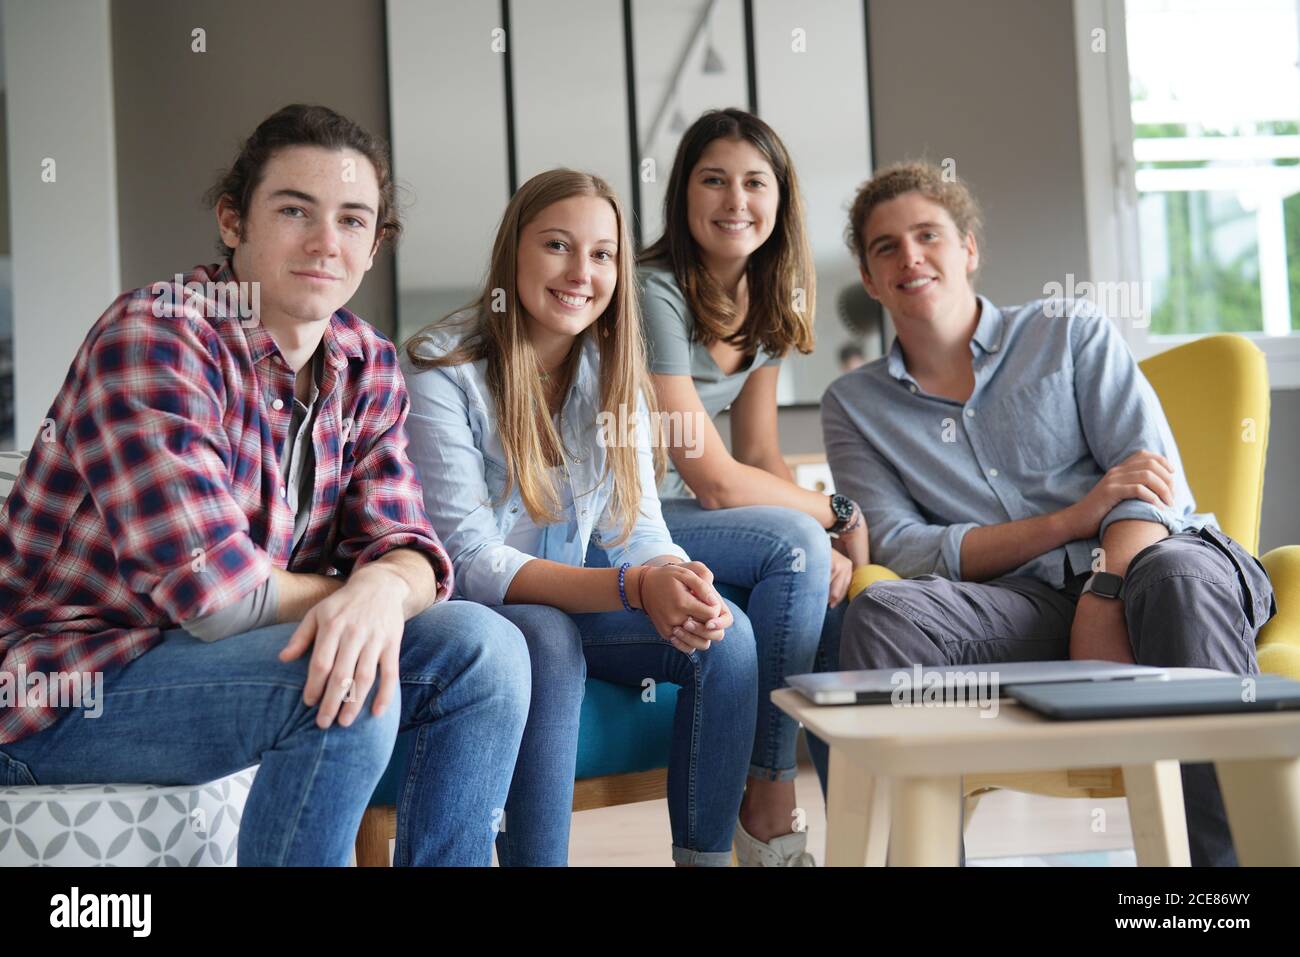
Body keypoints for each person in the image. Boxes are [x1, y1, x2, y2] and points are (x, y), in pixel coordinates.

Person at [0, 104, 531, 867]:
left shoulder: (366, 362)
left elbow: (412, 550)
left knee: (488, 649)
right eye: (294, 210)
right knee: (335, 690)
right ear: (231, 220)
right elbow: (220, 601)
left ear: (375, 245)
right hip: (65, 687)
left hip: (218, 666)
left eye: (353, 220)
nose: (325, 243)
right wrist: (363, 591)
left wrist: (383, 588)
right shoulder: (156, 335)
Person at [822, 160, 1275, 867]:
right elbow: (905, 546)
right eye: (886, 247)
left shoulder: (1068, 331)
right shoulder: (855, 405)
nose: (910, 255)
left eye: (927, 234)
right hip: (1023, 605)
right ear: (871, 278)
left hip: (1157, 564)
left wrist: (1105, 586)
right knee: (881, 614)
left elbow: (1149, 477)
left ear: (968, 248)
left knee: (1175, 576)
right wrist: (1070, 521)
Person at [400, 168, 758, 867]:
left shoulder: (613, 369)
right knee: (549, 634)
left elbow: (637, 528)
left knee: (730, 636)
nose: (580, 272)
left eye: (601, 255)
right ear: (514, 254)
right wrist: (631, 589)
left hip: (570, 600)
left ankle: (705, 858)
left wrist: (675, 579)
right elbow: (473, 560)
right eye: (557, 245)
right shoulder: (442, 370)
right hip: (466, 611)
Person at [632, 108, 869, 866]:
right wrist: (832, 511)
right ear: (684, 194)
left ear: (780, 199)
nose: (736, 200)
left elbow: (759, 454)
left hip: (696, 516)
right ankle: (769, 806)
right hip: (633, 517)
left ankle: (867, 842)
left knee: (833, 597)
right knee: (800, 542)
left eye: (754, 182)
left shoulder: (771, 303)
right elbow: (711, 479)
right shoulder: (652, 293)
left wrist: (830, 534)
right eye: (714, 180)